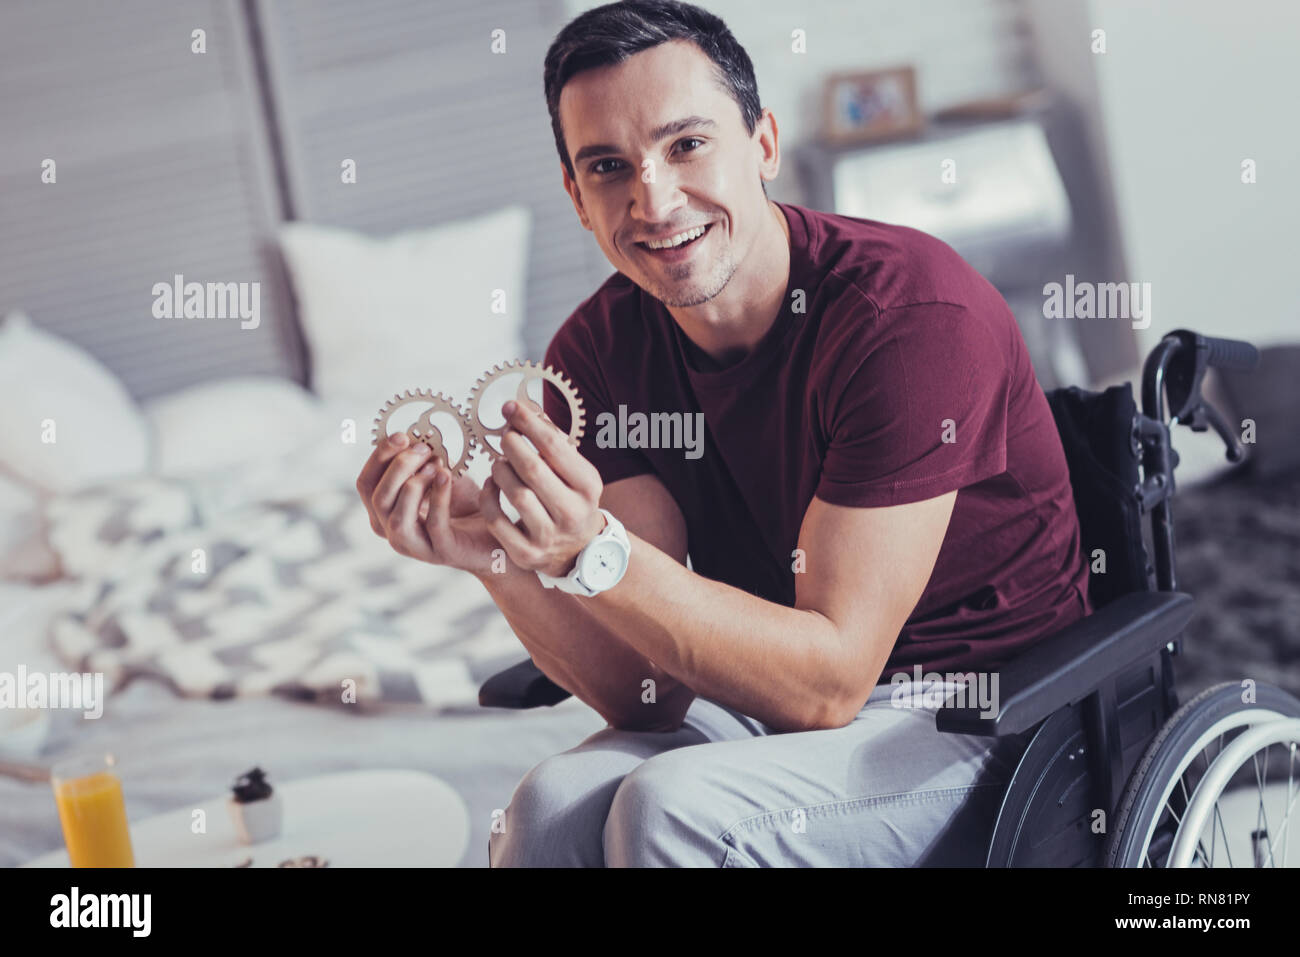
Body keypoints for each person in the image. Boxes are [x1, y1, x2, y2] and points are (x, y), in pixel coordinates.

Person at [355, 0, 1091, 867]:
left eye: (687, 145)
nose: (654, 200)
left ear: (763, 144)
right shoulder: (599, 350)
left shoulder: (906, 317)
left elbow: (830, 681)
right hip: (767, 692)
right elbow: (646, 692)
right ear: (577, 197)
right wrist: (498, 554)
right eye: (608, 166)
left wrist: (595, 552)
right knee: (549, 806)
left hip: (984, 713)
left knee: (669, 809)